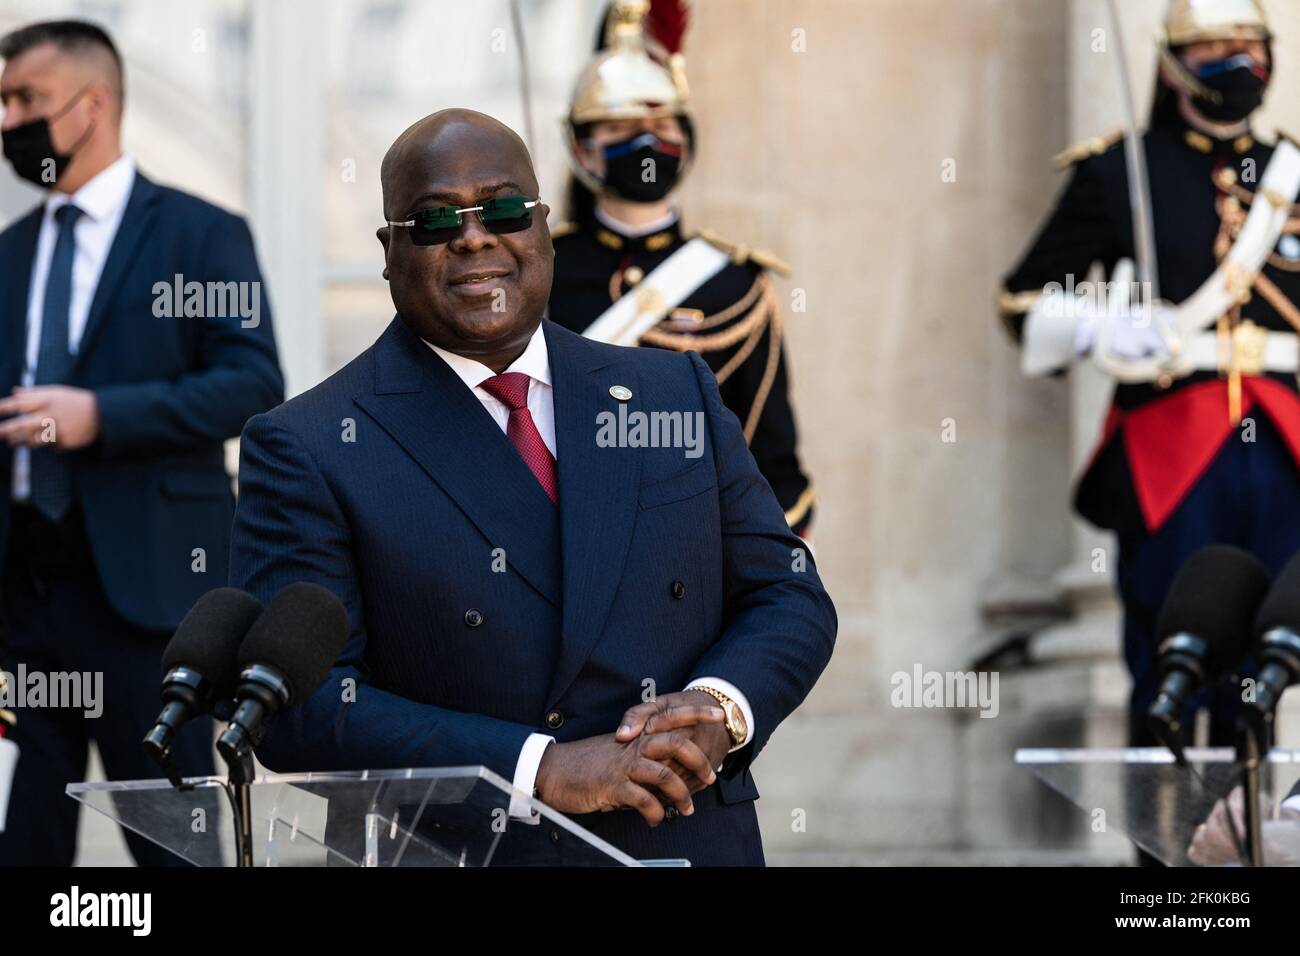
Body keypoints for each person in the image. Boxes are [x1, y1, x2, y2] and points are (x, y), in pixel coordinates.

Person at [229, 107, 835, 866]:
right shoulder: (310, 445)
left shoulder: (671, 389)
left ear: (545, 227)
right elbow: (302, 707)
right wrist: (540, 768)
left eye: (506, 208)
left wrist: (720, 706)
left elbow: (788, 593)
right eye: (434, 220)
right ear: (389, 251)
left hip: (684, 840)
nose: (475, 236)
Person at [0, 20, 283, 865]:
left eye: (26, 101)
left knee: (176, 845)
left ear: (94, 104)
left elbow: (253, 383)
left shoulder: (200, 234)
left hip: (153, 605)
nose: (9, 121)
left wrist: (102, 416)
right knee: (23, 843)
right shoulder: (9, 253)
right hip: (21, 604)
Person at [999, 0, 1300, 752]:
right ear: (1172, 64)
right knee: (1169, 650)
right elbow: (1022, 298)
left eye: (1248, 45)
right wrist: (1099, 321)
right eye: (1214, 48)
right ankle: (1162, 859)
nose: (1238, 63)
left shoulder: (1294, 176)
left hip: (1285, 445)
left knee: (1268, 658)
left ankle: (1244, 846)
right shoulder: (1119, 170)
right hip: (1174, 447)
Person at [547, 0, 816, 536]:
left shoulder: (734, 282)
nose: (647, 141)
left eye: (660, 124)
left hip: (689, 551)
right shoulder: (541, 267)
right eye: (622, 127)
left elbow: (771, 461)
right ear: (584, 148)